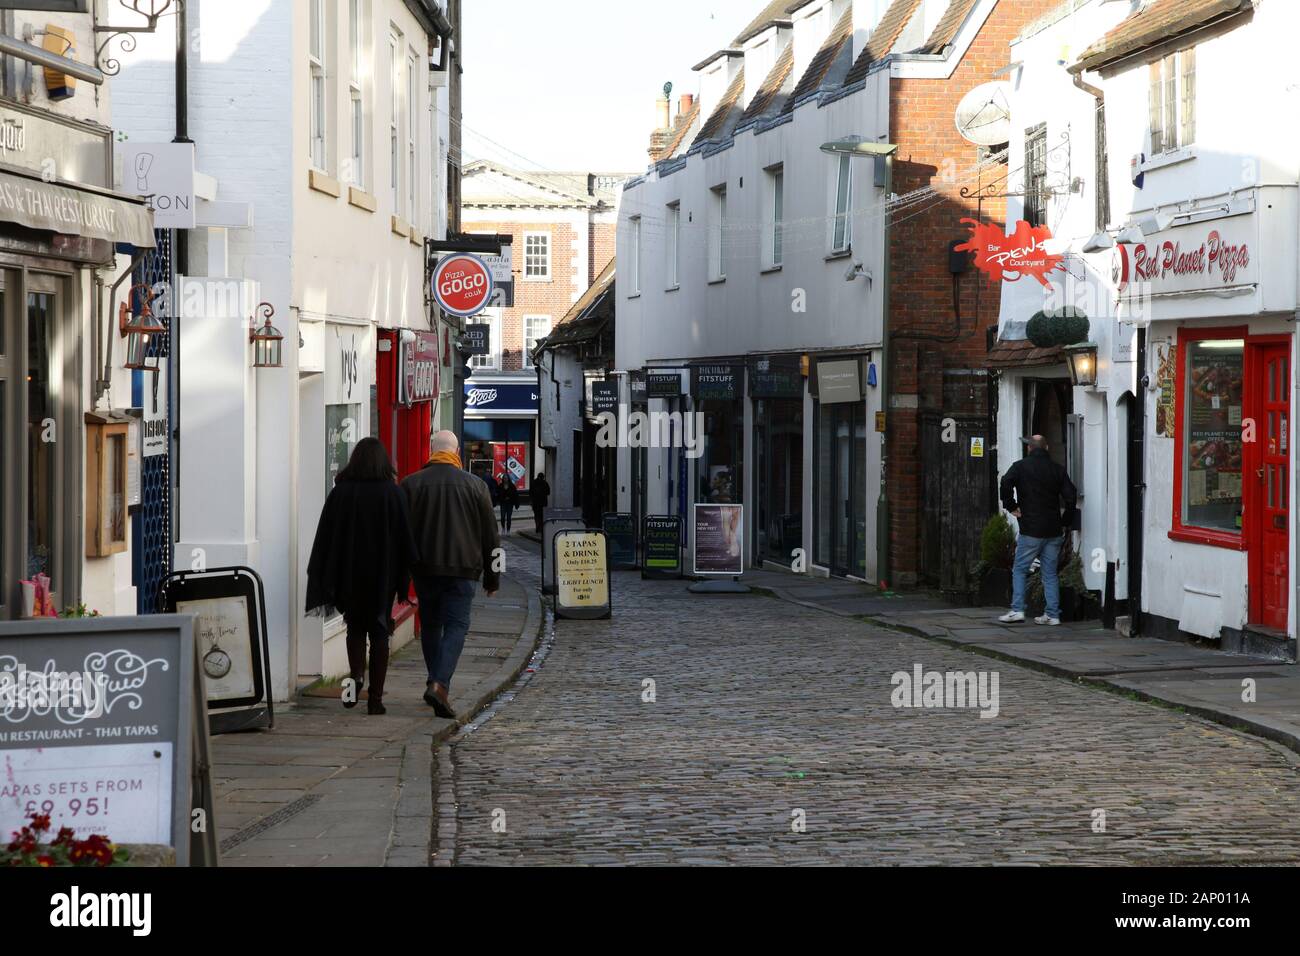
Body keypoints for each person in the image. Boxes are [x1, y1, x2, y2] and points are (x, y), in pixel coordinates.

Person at [305, 437, 416, 715]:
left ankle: (355, 680)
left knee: (354, 627)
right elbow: (406, 539)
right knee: (379, 631)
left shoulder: (340, 492)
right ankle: (375, 699)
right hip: (382, 575)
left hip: (349, 573)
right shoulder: (393, 493)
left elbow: (326, 536)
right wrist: (406, 576)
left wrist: (328, 572)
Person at [401, 430, 500, 719]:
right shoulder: (476, 486)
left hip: (425, 569)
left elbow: (400, 535)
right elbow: (491, 537)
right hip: (463, 571)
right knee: (456, 626)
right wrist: (493, 579)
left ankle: (435, 680)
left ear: (432, 450)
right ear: (456, 452)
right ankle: (439, 684)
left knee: (431, 626)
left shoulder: (411, 484)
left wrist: (401, 574)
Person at [998, 434, 1078, 626]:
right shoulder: (1057, 470)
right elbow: (1071, 495)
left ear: (1029, 449)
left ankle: (1017, 610)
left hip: (1031, 528)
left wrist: (1011, 505)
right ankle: (1052, 614)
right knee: (1049, 573)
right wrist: (1066, 519)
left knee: (1019, 569)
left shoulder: (1020, 467)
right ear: (1047, 448)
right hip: (1053, 529)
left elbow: (1005, 482)